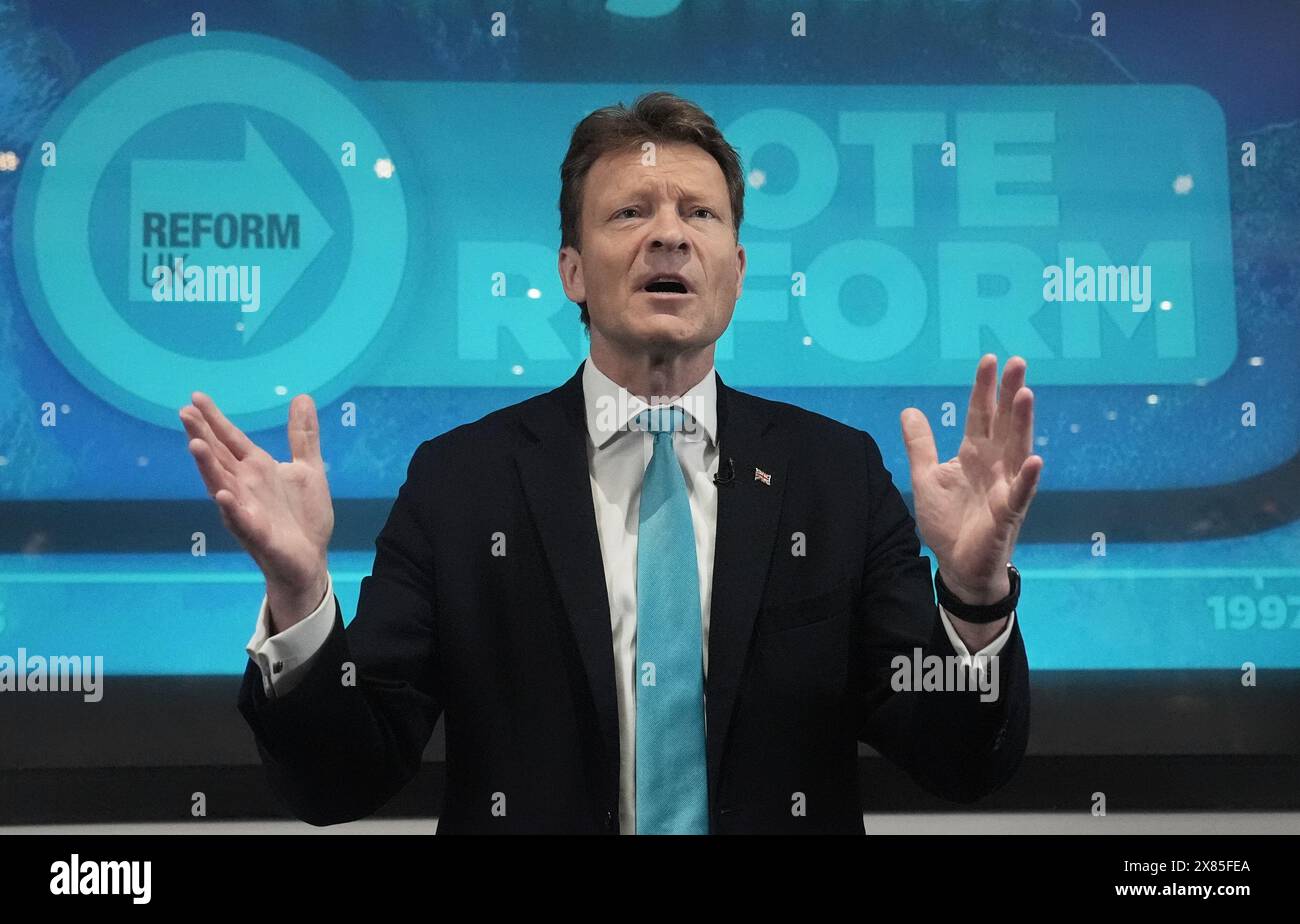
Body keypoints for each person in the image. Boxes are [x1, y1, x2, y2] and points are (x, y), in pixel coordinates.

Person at [180, 91, 1041, 834]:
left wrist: (971, 603)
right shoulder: (462, 482)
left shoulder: (835, 477)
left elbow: (958, 761)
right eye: (630, 213)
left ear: (736, 273)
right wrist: (299, 599)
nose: (669, 236)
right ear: (572, 271)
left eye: (699, 214)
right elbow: (343, 778)